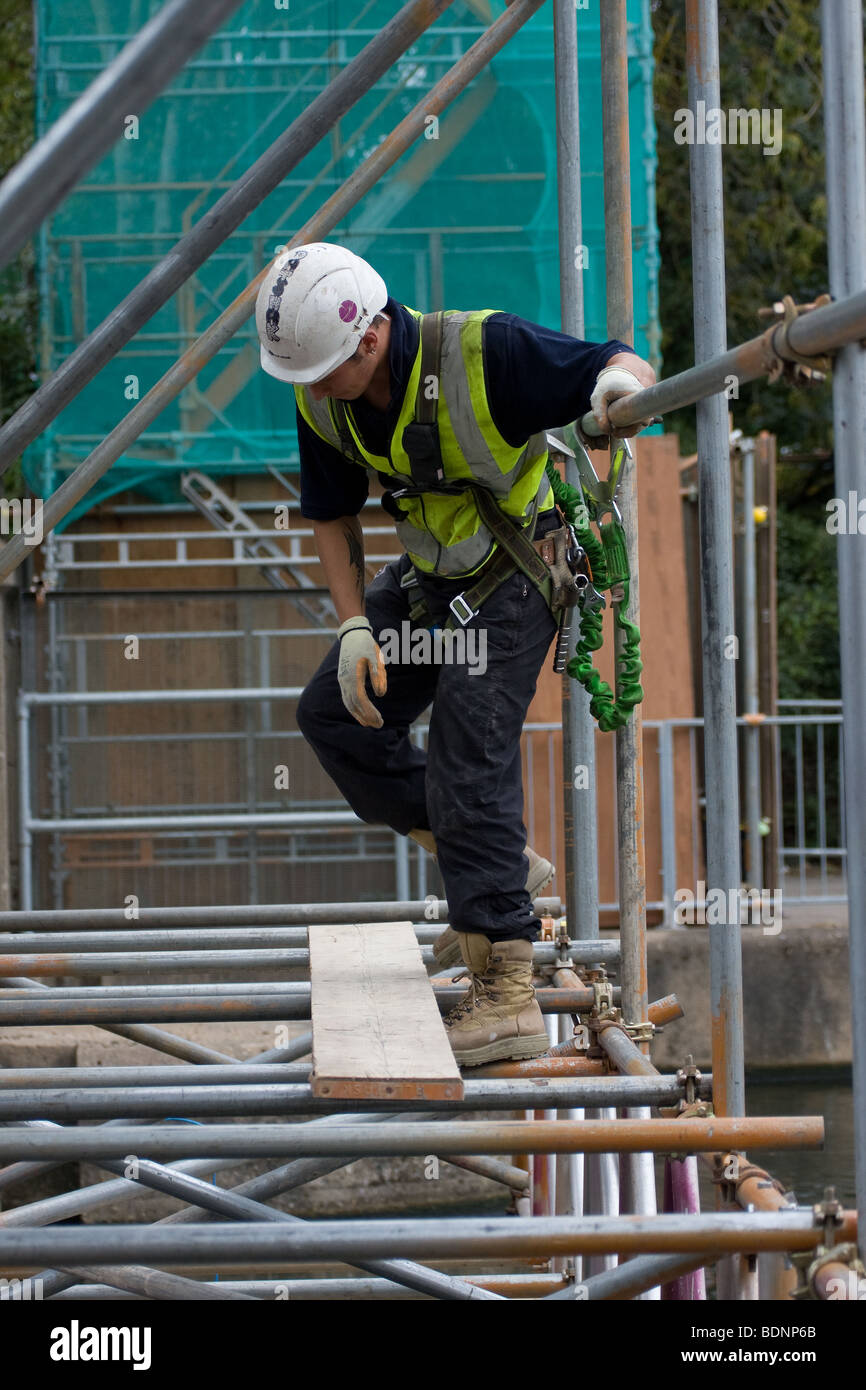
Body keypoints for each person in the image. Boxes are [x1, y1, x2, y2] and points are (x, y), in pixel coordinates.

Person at [255, 241, 655, 1066]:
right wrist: (353, 629)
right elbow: (330, 512)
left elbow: (618, 363)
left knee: (467, 754)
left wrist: (622, 393)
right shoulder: (323, 399)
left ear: (369, 339)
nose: (312, 390)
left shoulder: (485, 352)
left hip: (517, 575)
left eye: (322, 371)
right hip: (433, 586)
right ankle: (497, 869)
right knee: (335, 715)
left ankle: (505, 987)